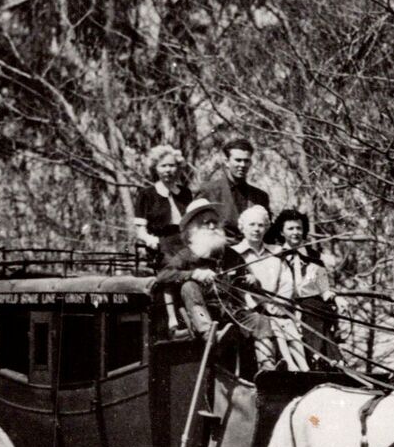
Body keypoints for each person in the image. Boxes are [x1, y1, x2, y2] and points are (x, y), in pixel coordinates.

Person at [231, 205, 305, 371]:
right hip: (250, 310)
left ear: (266, 228)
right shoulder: (233, 254)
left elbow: (287, 282)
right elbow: (235, 288)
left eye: (261, 225)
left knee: (288, 326)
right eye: (252, 225)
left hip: (278, 308)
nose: (257, 229)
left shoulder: (276, 252)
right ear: (242, 227)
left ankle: (303, 370)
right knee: (268, 323)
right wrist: (259, 306)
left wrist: (278, 305)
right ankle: (271, 369)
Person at [153, 198, 239, 335]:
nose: (212, 227)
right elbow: (163, 276)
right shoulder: (186, 255)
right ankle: (208, 332)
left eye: (215, 222)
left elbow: (242, 274)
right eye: (206, 223)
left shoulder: (229, 254)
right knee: (189, 286)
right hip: (198, 316)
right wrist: (192, 274)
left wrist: (250, 277)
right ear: (194, 229)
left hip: (230, 313)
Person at [267, 209, 340, 370]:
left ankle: (325, 359)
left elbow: (324, 286)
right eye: (291, 229)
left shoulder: (314, 257)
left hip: (310, 304)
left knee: (316, 306)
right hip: (283, 305)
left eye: (299, 228)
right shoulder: (274, 256)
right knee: (311, 308)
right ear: (282, 231)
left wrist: (333, 296)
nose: (296, 232)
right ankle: (327, 359)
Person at [198, 137, 270, 242]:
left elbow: (267, 233)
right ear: (227, 162)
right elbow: (197, 229)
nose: (242, 165)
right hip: (220, 253)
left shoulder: (260, 196)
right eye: (238, 160)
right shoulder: (208, 191)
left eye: (246, 161)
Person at [129, 144, 192, 263]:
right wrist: (150, 240)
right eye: (163, 166)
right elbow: (140, 232)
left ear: (178, 168)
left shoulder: (185, 193)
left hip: (184, 244)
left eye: (172, 166)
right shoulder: (146, 194)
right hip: (160, 247)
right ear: (155, 169)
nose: (168, 170)